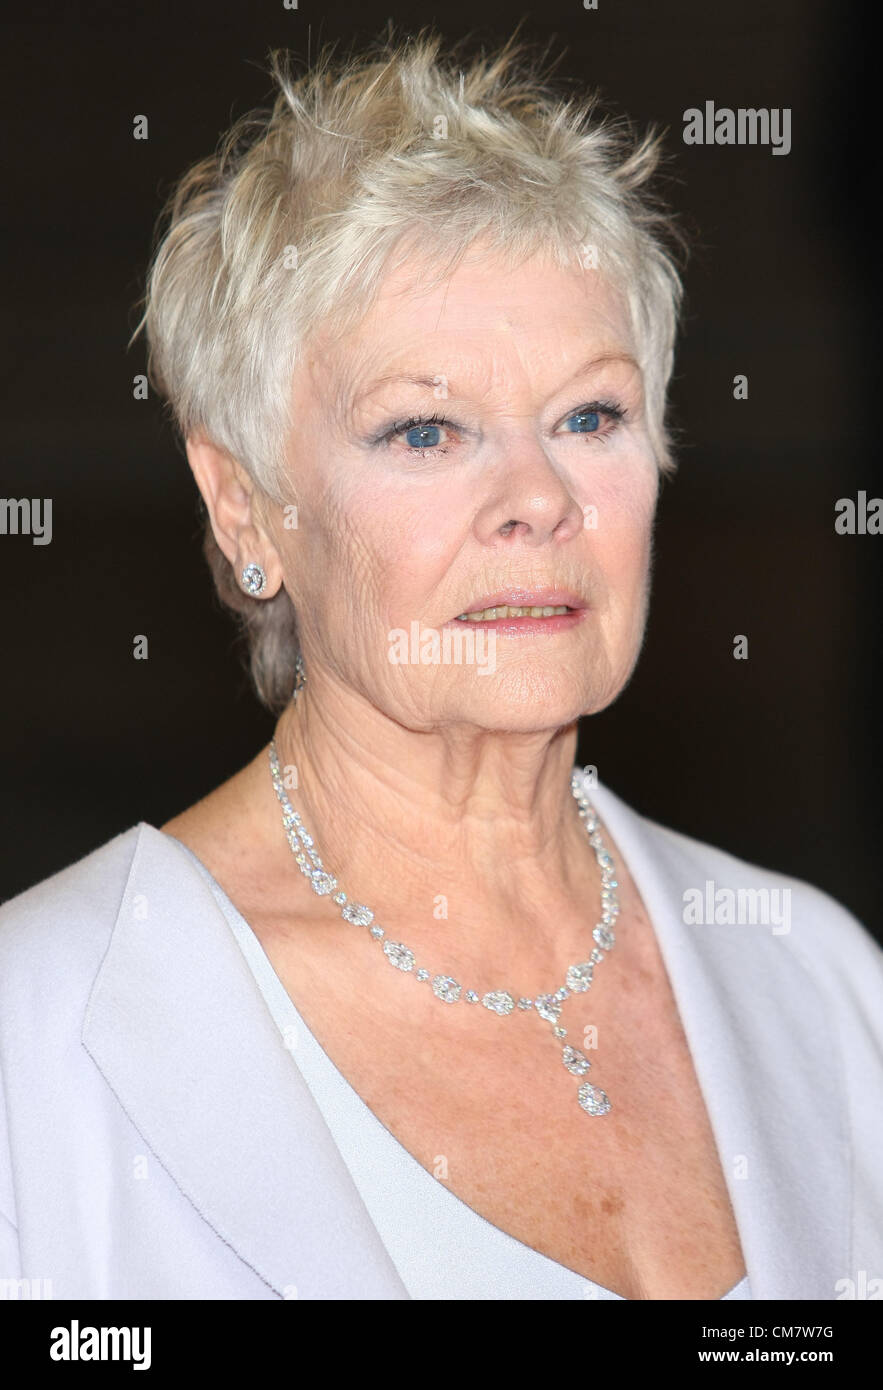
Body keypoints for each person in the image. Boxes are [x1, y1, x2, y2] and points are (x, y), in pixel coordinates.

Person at [1, 31, 881, 1303]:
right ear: (245, 507)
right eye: (425, 429)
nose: (537, 497)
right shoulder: (48, 1032)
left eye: (591, 415)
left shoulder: (819, 981)